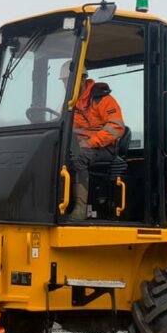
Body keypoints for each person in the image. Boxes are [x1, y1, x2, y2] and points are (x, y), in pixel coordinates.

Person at [59, 62, 125, 220]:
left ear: (82, 80)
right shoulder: (70, 103)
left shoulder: (102, 100)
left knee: (78, 158)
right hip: (79, 145)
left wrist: (91, 142)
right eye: (64, 82)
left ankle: (80, 210)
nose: (65, 85)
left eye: (68, 81)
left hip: (104, 148)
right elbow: (62, 125)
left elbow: (116, 127)